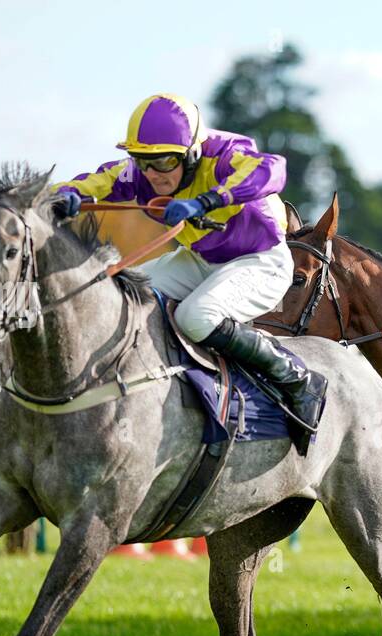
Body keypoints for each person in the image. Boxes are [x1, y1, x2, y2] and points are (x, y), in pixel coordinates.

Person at [53, 92, 324, 430]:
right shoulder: (144, 172)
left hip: (261, 260)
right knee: (123, 294)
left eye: (165, 161)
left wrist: (207, 201)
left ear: (192, 153)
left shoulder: (225, 155)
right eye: (143, 160)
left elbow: (273, 169)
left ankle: (297, 379)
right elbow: (101, 179)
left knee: (195, 316)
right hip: (201, 262)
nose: (153, 173)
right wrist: (64, 195)